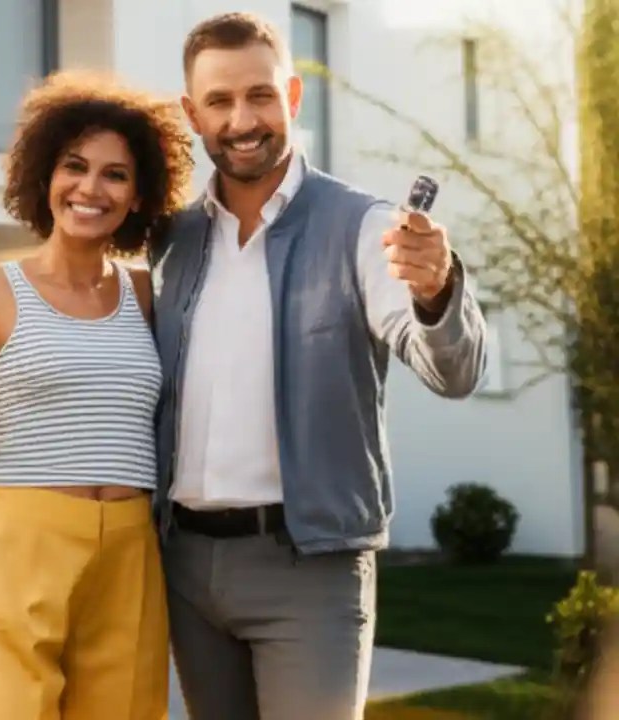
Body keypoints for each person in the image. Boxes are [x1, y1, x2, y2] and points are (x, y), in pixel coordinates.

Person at [147, 12, 489, 720]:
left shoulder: (364, 228)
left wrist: (436, 290)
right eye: (220, 101)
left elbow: (452, 370)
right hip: (185, 566)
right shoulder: (171, 242)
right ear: (192, 114)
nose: (243, 119)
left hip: (311, 567)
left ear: (293, 98)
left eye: (260, 96)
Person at [0, 70, 193, 720]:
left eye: (115, 174)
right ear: (45, 176)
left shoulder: (146, 294)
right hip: (19, 550)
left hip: (131, 557)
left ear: (139, 196)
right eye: (74, 166)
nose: (90, 188)